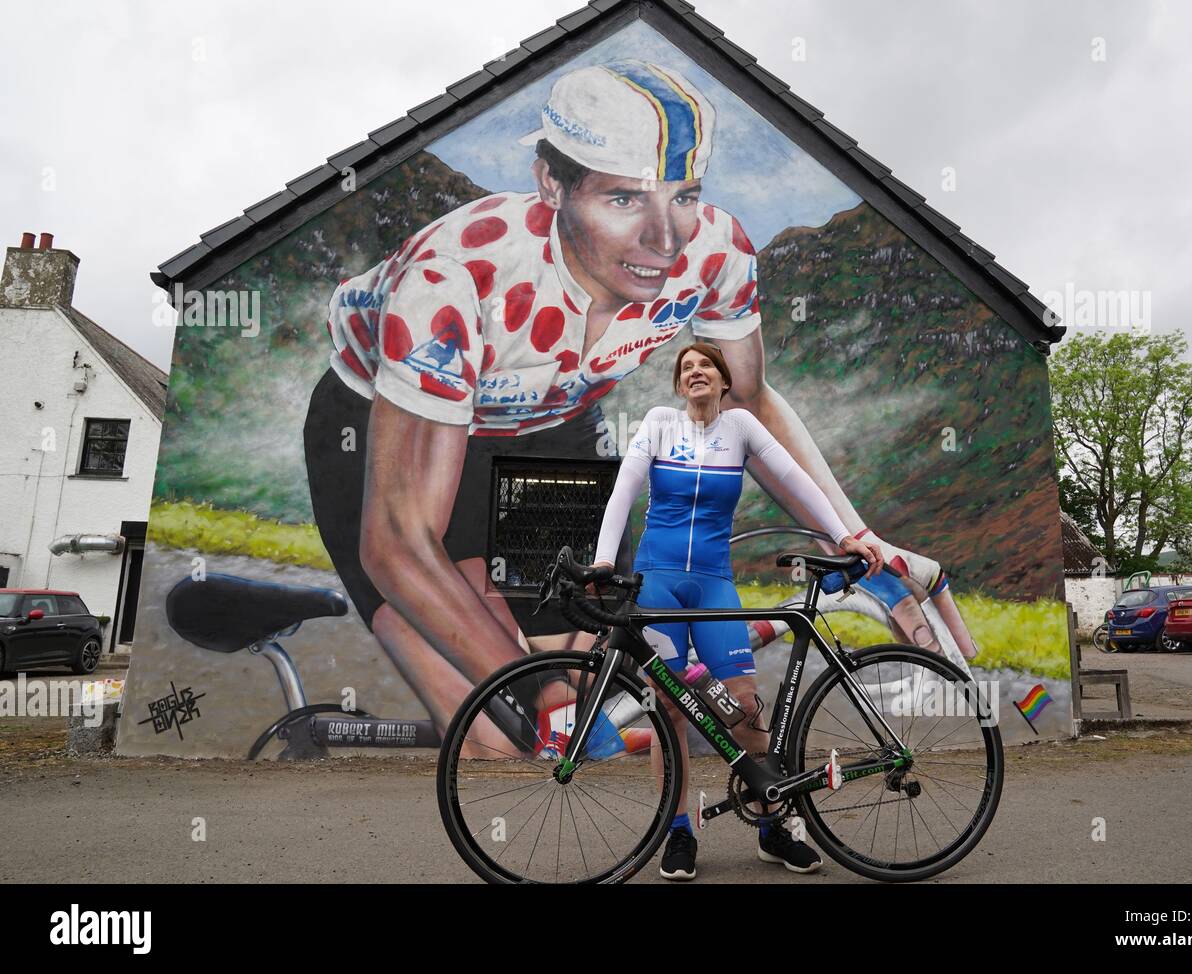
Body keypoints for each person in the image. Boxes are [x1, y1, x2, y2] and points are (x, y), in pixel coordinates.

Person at [303, 57, 976, 751]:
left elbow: (750, 400)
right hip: (390, 424)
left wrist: (856, 541)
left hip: (548, 431)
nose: (665, 239)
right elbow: (397, 544)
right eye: (625, 199)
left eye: (683, 196)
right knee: (502, 735)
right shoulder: (452, 286)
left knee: (583, 691)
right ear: (550, 184)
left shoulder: (713, 250)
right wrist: (533, 697)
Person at [592, 342, 881, 879]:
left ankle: (771, 824)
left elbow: (797, 479)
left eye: (706, 366)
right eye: (686, 369)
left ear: (723, 381)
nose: (695, 372)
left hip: (713, 584)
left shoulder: (742, 427)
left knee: (744, 705)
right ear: (680, 386)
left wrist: (848, 535)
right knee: (670, 709)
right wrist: (605, 561)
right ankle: (677, 833)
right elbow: (624, 490)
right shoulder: (658, 422)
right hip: (659, 585)